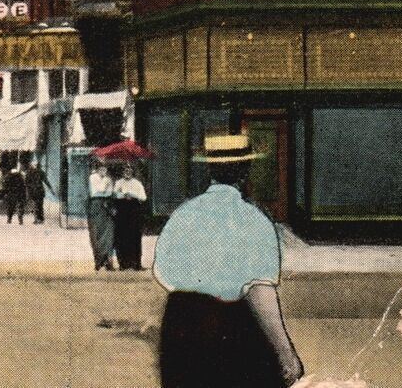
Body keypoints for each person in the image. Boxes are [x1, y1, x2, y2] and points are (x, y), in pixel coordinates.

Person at [154, 132, 303, 388]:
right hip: (228, 327)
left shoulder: (182, 215)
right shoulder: (253, 220)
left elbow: (162, 274)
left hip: (179, 328)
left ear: (210, 170)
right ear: (245, 172)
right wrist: (286, 353)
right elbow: (261, 294)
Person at [112, 163, 149, 271]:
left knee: (135, 236)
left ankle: (136, 264)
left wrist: (133, 195)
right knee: (122, 237)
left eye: (129, 171)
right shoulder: (118, 183)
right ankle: (123, 264)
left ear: (132, 172)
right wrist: (122, 195)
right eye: (125, 171)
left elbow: (143, 197)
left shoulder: (137, 183)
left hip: (134, 211)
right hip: (122, 211)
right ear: (122, 172)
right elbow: (114, 195)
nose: (127, 173)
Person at [87, 159, 118, 271]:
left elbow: (110, 192)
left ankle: (108, 261)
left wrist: (105, 192)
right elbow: (94, 192)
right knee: (96, 233)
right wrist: (104, 191)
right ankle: (98, 261)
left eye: (105, 169)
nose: (103, 171)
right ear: (97, 169)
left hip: (106, 206)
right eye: (101, 169)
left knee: (108, 234)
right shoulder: (92, 177)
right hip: (96, 206)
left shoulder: (108, 179)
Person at [25, 160, 50, 224]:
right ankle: (39, 219)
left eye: (35, 165)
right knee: (38, 205)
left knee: (37, 205)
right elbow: (46, 181)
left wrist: (50, 188)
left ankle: (38, 219)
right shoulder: (39, 172)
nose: (35, 166)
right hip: (37, 191)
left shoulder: (30, 172)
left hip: (36, 191)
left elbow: (46, 181)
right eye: (35, 165)